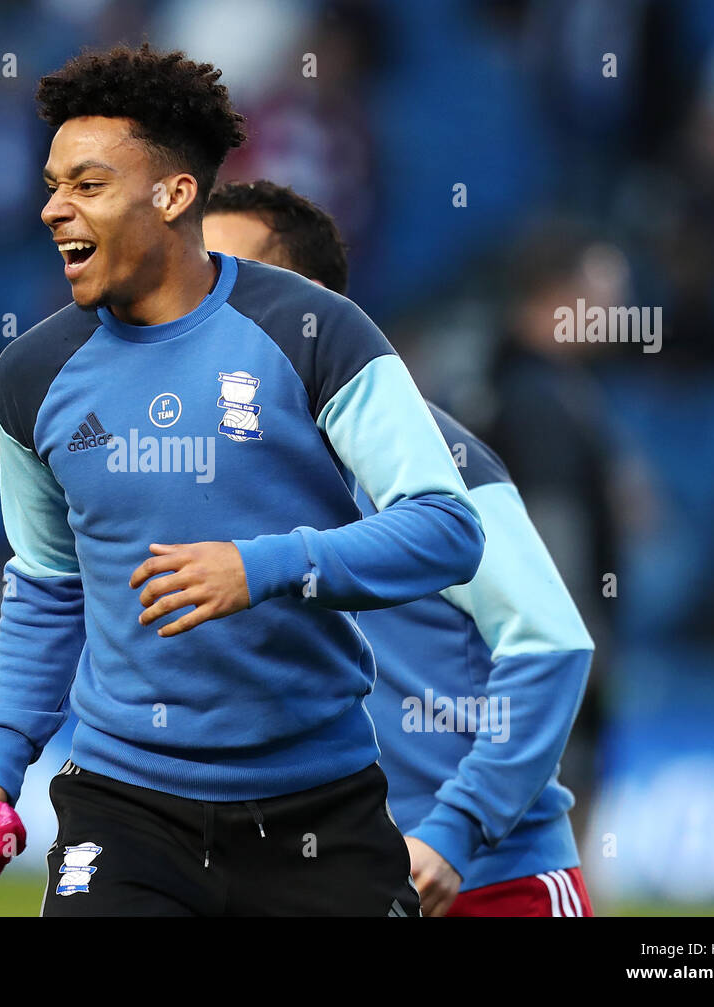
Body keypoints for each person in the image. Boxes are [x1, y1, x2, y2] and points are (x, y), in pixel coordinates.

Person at [0, 45, 485, 917]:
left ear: (175, 195)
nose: (52, 208)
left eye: (87, 185)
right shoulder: (32, 377)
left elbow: (448, 529)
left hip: (317, 812)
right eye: (52, 183)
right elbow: (46, 585)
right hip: (124, 804)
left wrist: (260, 567)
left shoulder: (315, 332)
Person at [203, 179, 595, 916]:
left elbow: (550, 643)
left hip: (483, 883)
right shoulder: (210, 469)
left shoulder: (433, 456)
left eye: (231, 279)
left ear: (312, 307)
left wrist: (456, 829)